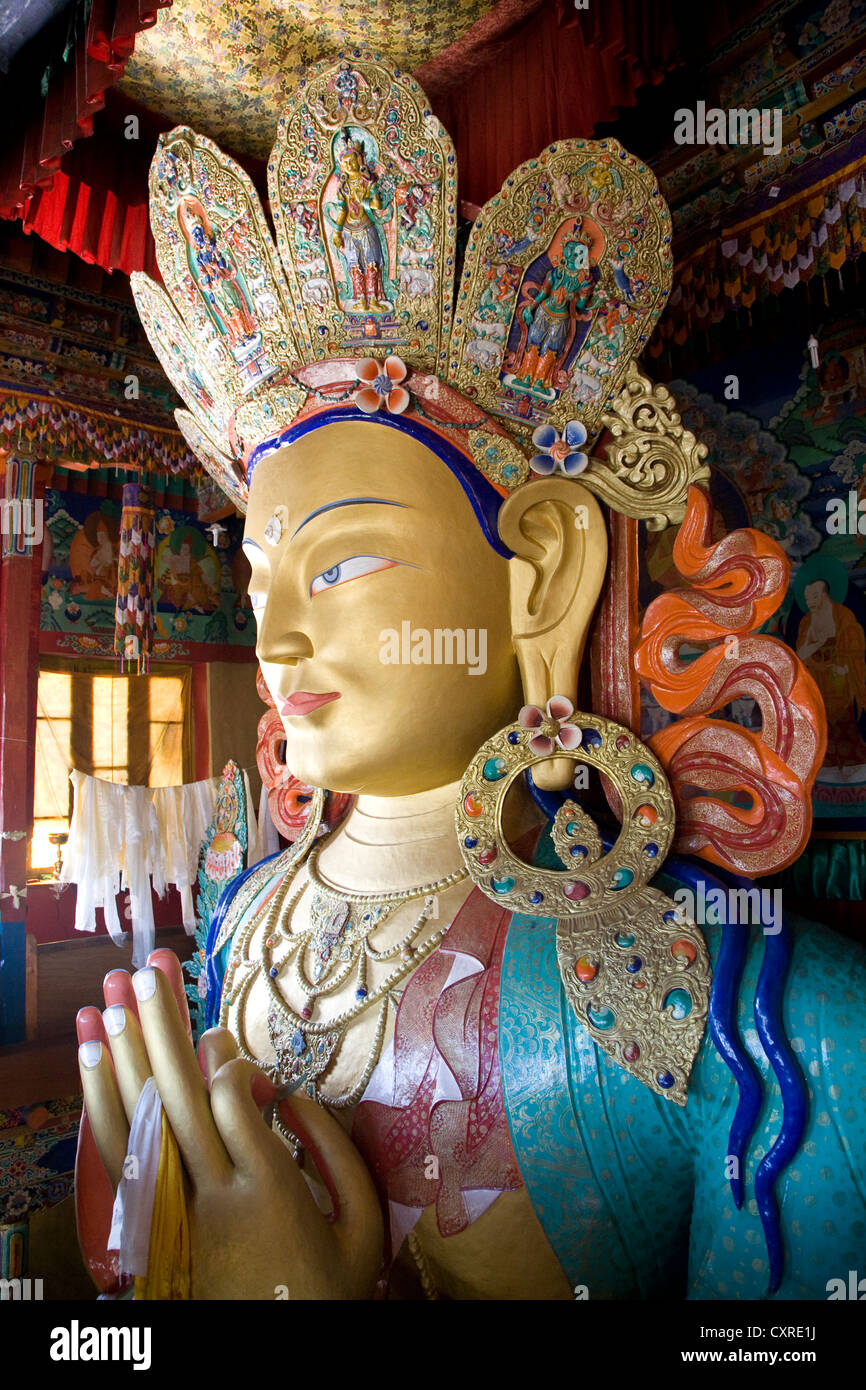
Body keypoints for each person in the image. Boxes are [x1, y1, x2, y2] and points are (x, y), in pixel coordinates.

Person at [797, 577, 866, 776]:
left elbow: (855, 645)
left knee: (846, 720)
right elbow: (801, 654)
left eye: (815, 595)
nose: (810, 600)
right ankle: (827, 762)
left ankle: (853, 763)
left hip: (841, 678)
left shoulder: (843, 616)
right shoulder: (807, 621)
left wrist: (844, 666)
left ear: (826, 595)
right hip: (818, 678)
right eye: (807, 597)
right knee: (821, 722)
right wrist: (817, 643)